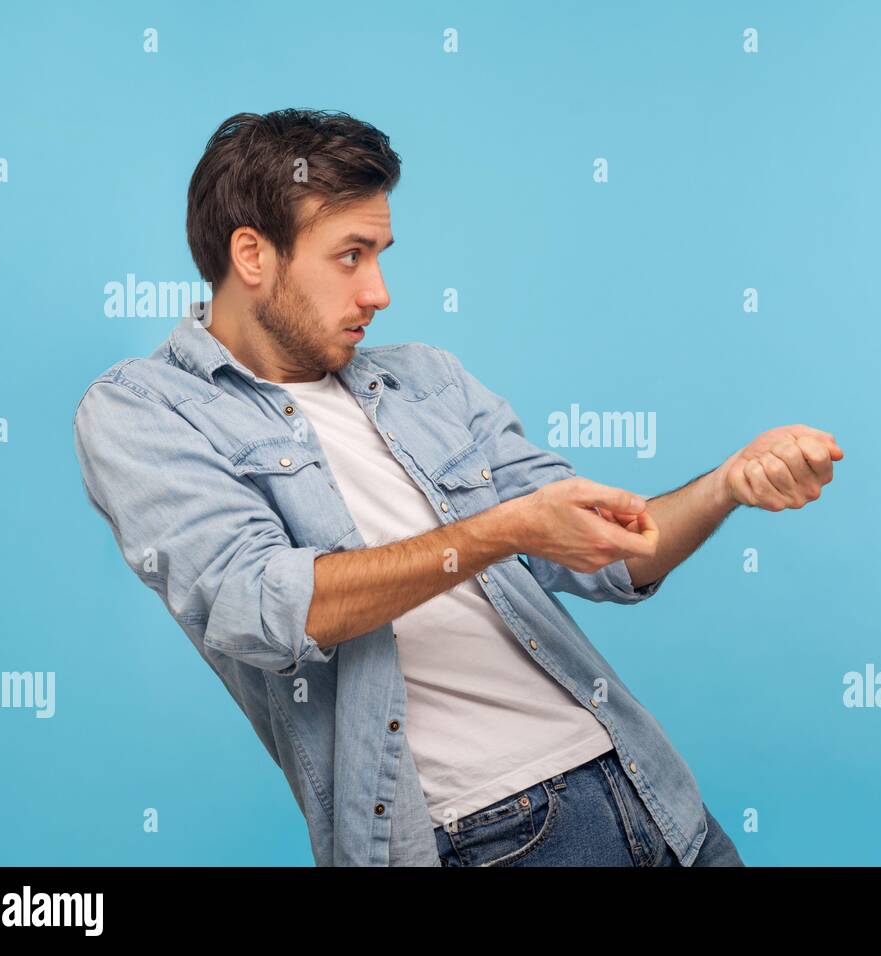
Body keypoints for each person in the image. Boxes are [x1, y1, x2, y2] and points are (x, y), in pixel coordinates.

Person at [72, 108, 842, 866]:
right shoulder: (144, 411)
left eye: (382, 254)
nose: (379, 291)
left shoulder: (425, 378)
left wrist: (728, 486)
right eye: (351, 255)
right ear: (252, 255)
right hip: (489, 837)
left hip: (650, 792)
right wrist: (502, 532)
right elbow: (266, 609)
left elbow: (607, 551)